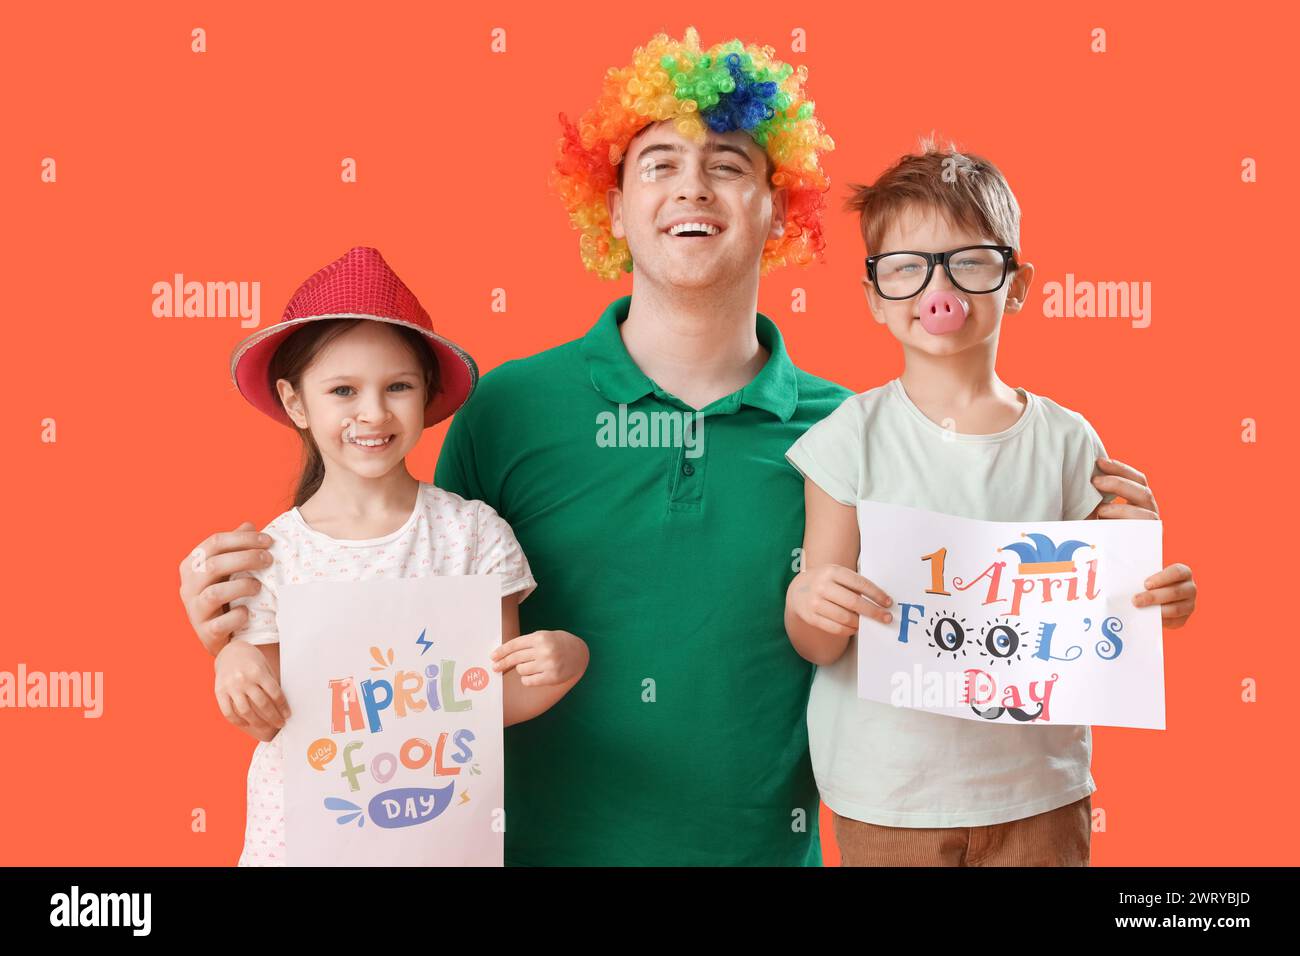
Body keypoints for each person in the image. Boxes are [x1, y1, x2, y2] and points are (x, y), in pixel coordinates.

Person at [179, 29, 1195, 866]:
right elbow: (401, 599)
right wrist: (240, 615)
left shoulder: (851, 430)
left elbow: (978, 597)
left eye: (730, 164)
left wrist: (1105, 570)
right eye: (656, 162)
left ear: (780, 209)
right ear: (613, 208)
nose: (691, 186)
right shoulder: (509, 410)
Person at [784, 141, 1196, 866]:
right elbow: (817, 639)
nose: (938, 292)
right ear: (876, 296)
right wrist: (809, 602)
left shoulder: (1069, 442)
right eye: (907, 268)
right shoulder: (847, 439)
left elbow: (1103, 614)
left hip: (1038, 790)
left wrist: (1152, 593)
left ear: (1017, 282)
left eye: (969, 262)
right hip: (890, 795)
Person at [214, 245, 588, 865]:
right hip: (301, 846)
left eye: (397, 386)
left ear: (426, 394)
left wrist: (567, 661)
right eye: (342, 389)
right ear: (296, 401)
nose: (373, 413)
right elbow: (269, 718)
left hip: (436, 841)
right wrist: (232, 666)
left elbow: (491, 701)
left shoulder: (472, 536)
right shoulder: (270, 556)